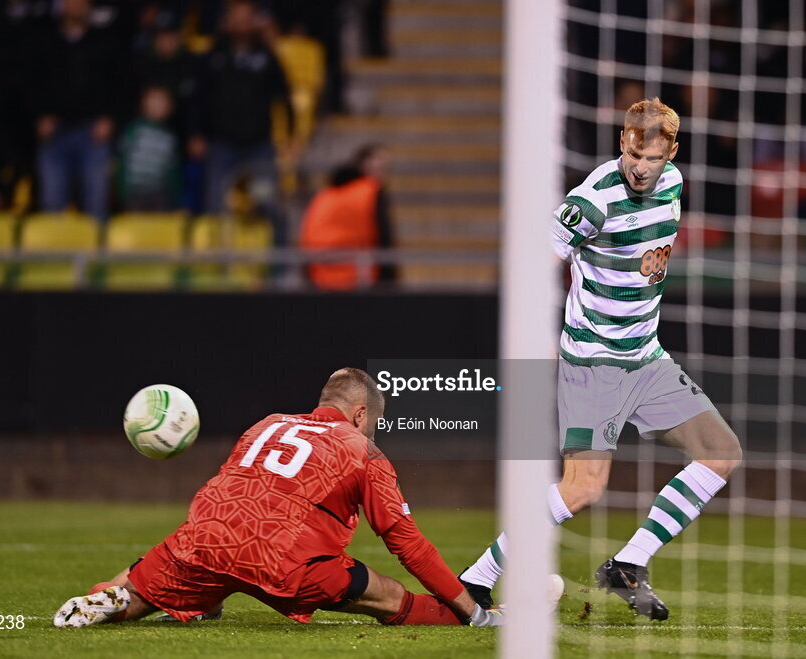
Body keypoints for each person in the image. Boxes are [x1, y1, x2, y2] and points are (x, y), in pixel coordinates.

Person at [458, 98, 742, 620]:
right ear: (622, 142)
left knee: (721, 453)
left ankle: (627, 566)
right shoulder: (592, 201)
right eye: (633, 154)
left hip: (648, 357)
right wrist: (541, 337)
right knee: (584, 488)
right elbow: (530, 266)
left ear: (671, 153)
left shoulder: (675, 185)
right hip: (594, 364)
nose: (640, 167)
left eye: (652, 158)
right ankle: (477, 578)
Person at [53, 368, 505, 628]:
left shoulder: (266, 424)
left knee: (140, 589)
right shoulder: (363, 449)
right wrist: (467, 607)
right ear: (361, 414)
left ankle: (110, 596)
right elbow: (406, 542)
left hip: (206, 543)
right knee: (388, 596)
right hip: (287, 563)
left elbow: (238, 492)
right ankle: (484, 618)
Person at [194, 0, 291, 246]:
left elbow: (284, 96)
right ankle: (215, 270)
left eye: (246, 17)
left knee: (267, 203)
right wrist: (197, 133)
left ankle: (278, 270)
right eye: (235, 17)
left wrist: (290, 135)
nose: (241, 22)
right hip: (222, 147)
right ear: (226, 21)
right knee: (214, 206)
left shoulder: (266, 57)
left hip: (258, 148)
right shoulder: (214, 56)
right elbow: (198, 99)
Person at [32, 0, 121, 221]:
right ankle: (52, 255)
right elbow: (30, 85)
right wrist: (39, 116)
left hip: (93, 133)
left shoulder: (105, 41)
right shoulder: (45, 41)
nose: (76, 5)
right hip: (55, 133)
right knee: (52, 204)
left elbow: (120, 85)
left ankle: (97, 257)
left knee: (96, 205)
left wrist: (110, 118)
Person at [299, 145, 395, 290]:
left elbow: (306, 237)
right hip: (360, 280)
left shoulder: (323, 195)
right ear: (364, 164)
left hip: (320, 279)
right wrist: (390, 284)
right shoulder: (371, 192)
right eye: (381, 165)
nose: (384, 172)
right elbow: (384, 238)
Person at [115, 86, 182, 212]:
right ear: (144, 102)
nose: (158, 105)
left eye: (163, 101)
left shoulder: (170, 137)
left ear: (171, 106)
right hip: (135, 192)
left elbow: (173, 171)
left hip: (159, 193)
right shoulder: (134, 130)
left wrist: (176, 199)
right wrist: (123, 192)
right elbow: (123, 162)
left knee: (161, 227)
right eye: (154, 100)